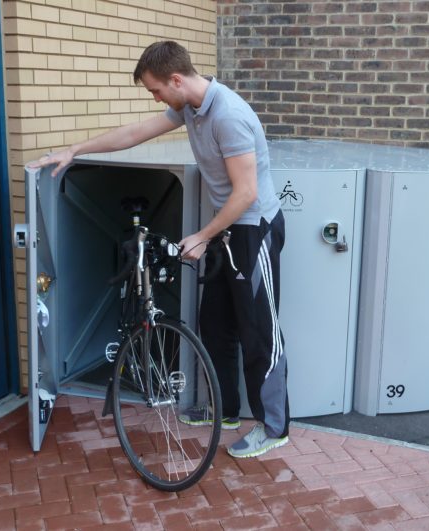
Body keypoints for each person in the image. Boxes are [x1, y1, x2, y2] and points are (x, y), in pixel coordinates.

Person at [31, 40, 289, 458]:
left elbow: (246, 194)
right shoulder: (189, 107)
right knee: (215, 324)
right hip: (226, 230)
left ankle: (274, 426)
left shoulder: (229, 116)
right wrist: (76, 150)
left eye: (155, 90)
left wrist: (203, 235)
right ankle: (223, 410)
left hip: (252, 231)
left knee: (260, 331)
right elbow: (135, 133)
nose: (156, 99)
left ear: (176, 79)